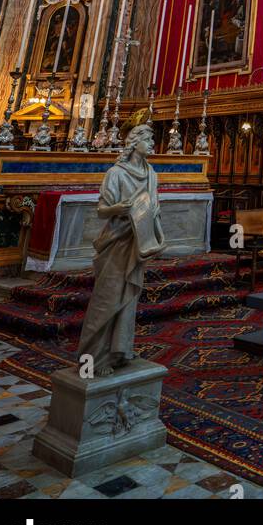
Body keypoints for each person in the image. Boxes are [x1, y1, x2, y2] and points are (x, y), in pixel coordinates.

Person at [77, 117, 164, 376]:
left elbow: (153, 209)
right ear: (134, 143)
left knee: (128, 300)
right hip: (116, 241)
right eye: (147, 140)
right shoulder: (116, 173)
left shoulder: (151, 174)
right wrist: (120, 208)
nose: (152, 144)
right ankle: (92, 357)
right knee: (107, 299)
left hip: (137, 243)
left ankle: (120, 350)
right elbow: (103, 210)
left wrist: (154, 223)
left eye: (151, 139)